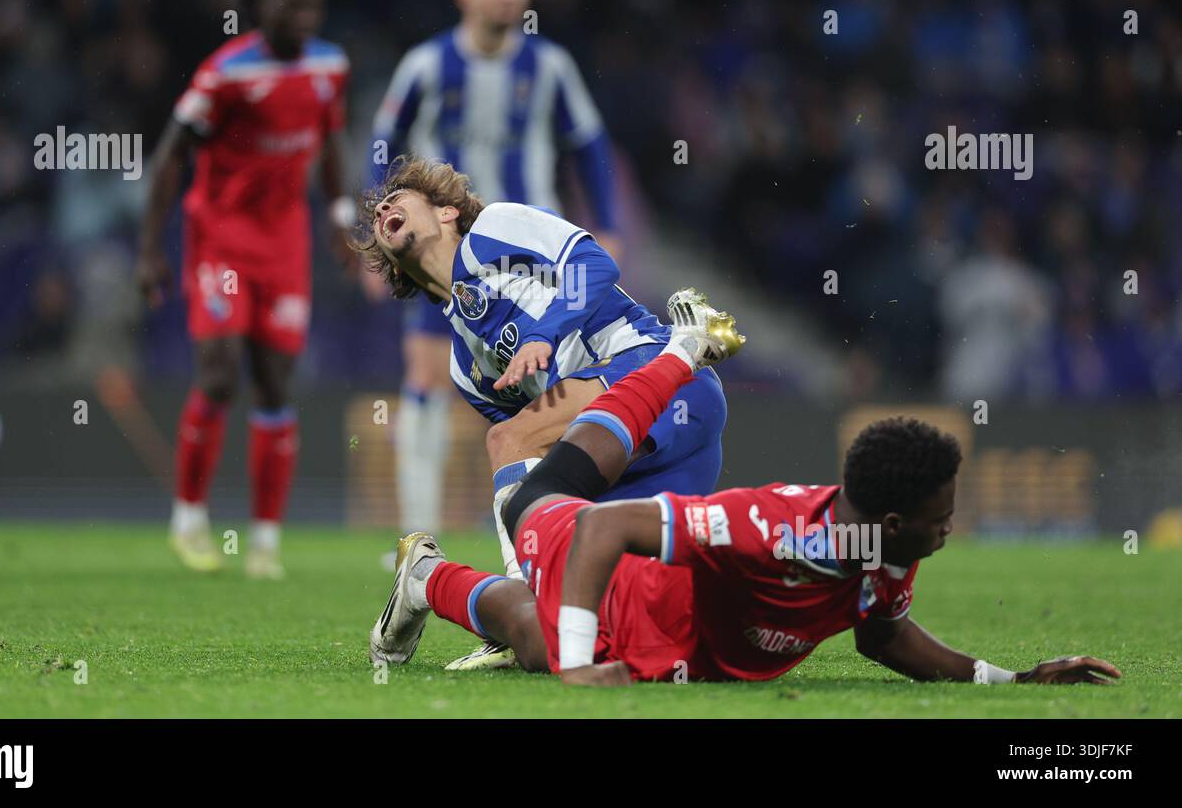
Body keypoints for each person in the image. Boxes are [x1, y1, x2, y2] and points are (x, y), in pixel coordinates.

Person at [370, 291, 1120, 688]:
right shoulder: (771, 527)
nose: (950, 528)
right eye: (942, 517)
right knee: (538, 632)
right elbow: (602, 531)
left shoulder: (886, 551)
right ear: (895, 519)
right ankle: (676, 353)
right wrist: (574, 667)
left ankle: (677, 355)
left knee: (544, 623)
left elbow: (884, 635)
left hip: (671, 631)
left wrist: (1011, 680)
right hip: (573, 536)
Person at [356, 157, 731, 668]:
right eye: (379, 211)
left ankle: (524, 593)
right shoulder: (467, 368)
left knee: (507, 441)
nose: (385, 208)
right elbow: (537, 484)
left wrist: (540, 333)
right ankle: (431, 582)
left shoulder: (493, 229)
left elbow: (596, 264)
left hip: (661, 374)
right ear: (395, 269)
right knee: (603, 632)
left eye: (400, 199)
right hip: (632, 456)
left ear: (447, 212)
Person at [364, 0, 619, 554]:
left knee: (558, 372)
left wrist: (603, 222)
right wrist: (373, 239)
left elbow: (589, 144)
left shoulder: (549, 65)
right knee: (426, 376)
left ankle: (554, 514)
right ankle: (417, 533)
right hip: (444, 251)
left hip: (525, 251)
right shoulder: (427, 65)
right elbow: (380, 143)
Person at [137, 0, 351, 580]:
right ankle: (189, 519)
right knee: (221, 370)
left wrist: (339, 218)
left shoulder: (329, 67)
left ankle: (263, 541)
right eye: (290, 6)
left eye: (312, 7)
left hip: (285, 247)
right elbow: (170, 157)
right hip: (223, 241)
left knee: (276, 383)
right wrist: (151, 248)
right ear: (258, 8)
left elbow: (331, 142)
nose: (303, 18)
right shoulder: (226, 74)